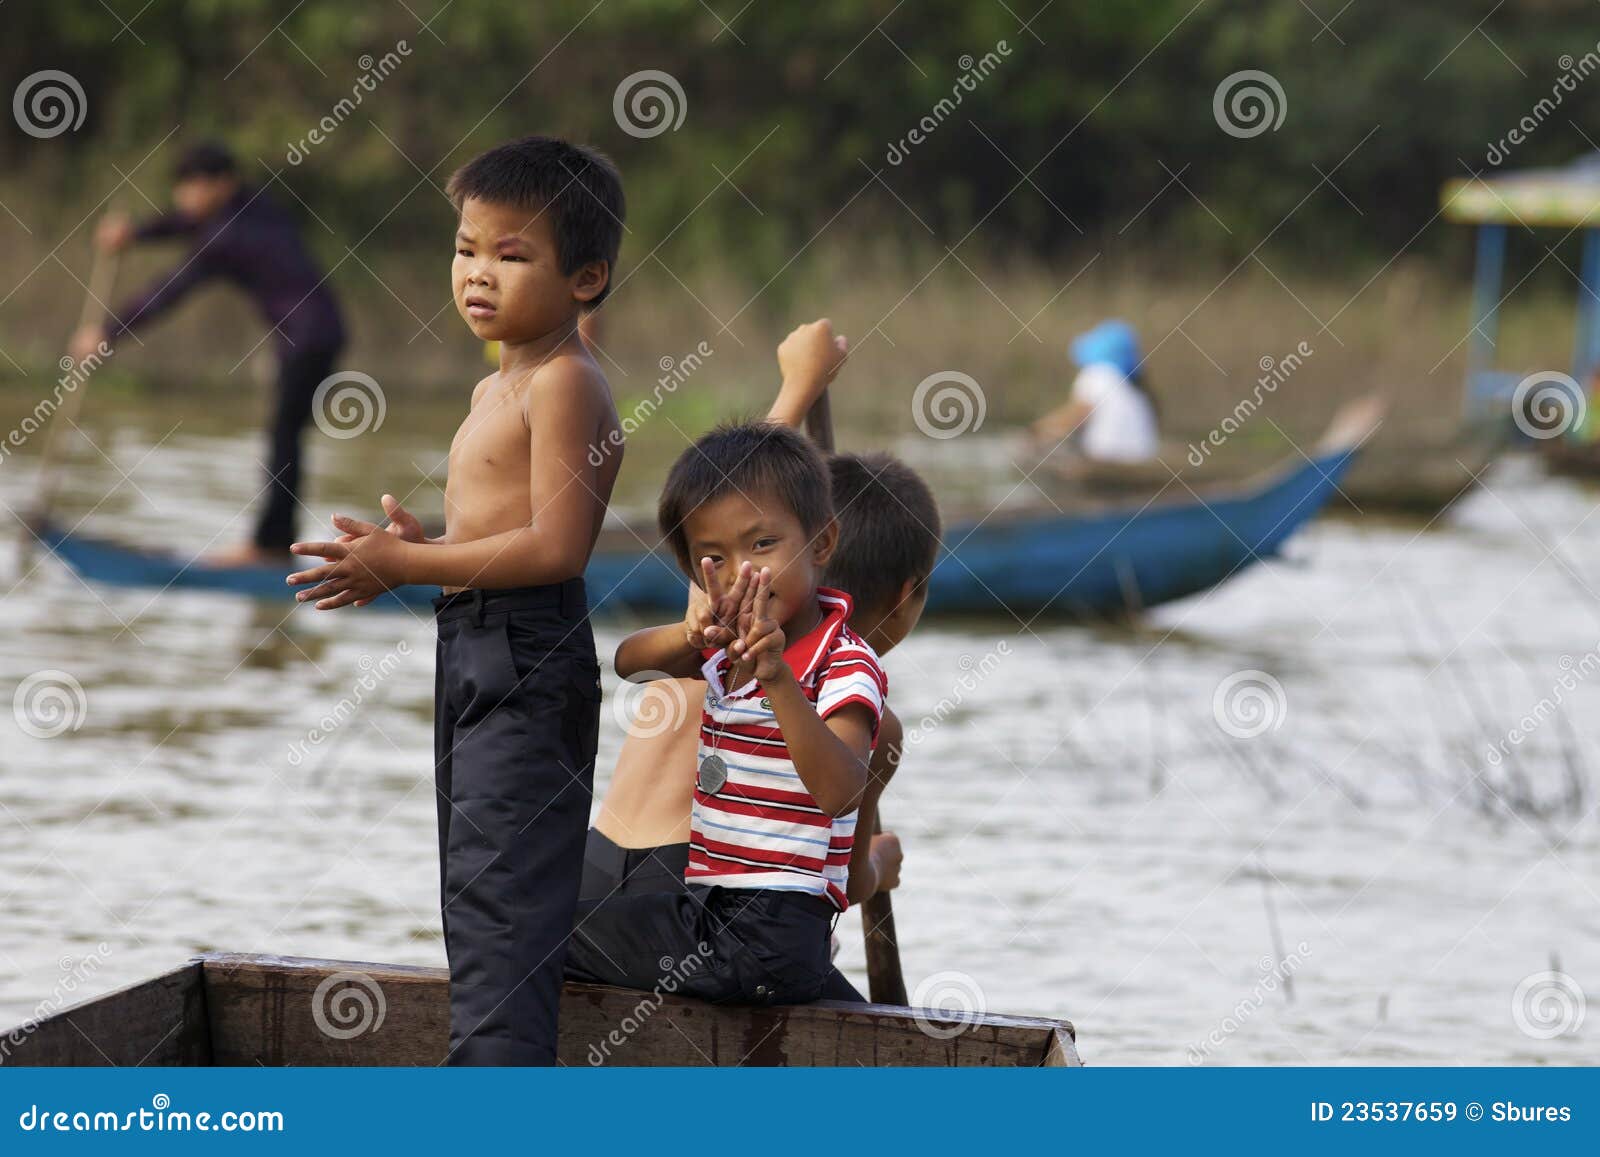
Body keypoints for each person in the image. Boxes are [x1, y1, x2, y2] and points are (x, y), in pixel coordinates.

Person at [285, 135, 625, 1066]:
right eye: (467, 248)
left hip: (527, 656)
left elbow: (557, 547)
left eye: (511, 255)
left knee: (503, 917)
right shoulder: (493, 385)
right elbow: (506, 530)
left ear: (586, 277)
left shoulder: (565, 382)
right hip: (470, 646)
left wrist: (406, 563)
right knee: (475, 902)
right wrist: (426, 550)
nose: (479, 272)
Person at [584, 325, 940, 1003]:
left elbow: (726, 502)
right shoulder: (733, 640)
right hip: (690, 895)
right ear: (905, 596)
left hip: (596, 871)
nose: (741, 567)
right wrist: (877, 863)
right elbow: (848, 879)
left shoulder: (710, 622)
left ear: (822, 546)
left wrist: (800, 382)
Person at [71, 141, 347, 565]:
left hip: (308, 338)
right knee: (285, 434)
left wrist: (107, 332)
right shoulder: (253, 206)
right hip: (314, 332)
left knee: (283, 435)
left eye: (193, 186)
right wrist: (135, 234)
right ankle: (275, 543)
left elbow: (170, 290)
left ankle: (272, 546)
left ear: (221, 184)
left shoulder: (227, 236)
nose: (184, 196)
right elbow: (183, 221)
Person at [1030, 319, 1159, 462]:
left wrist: (1038, 430)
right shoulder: (1135, 389)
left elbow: (1077, 414)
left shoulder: (1097, 373)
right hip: (1142, 459)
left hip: (1107, 458)